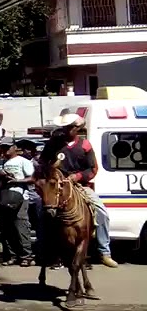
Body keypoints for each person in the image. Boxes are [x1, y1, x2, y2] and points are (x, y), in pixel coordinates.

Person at [49, 109, 117, 268]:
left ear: (76, 128)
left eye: (69, 127)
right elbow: (43, 161)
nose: (65, 130)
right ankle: (49, 252)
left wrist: (77, 176)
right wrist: (52, 170)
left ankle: (104, 252)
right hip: (56, 184)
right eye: (64, 127)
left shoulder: (84, 145)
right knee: (44, 210)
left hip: (80, 185)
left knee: (102, 212)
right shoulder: (54, 144)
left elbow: (92, 168)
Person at [0, 141, 35, 266]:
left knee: (21, 226)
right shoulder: (0, 163)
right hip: (3, 198)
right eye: (3, 147)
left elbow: (33, 178)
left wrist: (17, 180)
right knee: (6, 228)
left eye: (8, 147)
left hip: (20, 197)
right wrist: (0, 175)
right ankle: (11, 255)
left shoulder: (23, 161)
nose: (5, 150)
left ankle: (26, 256)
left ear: (15, 148)